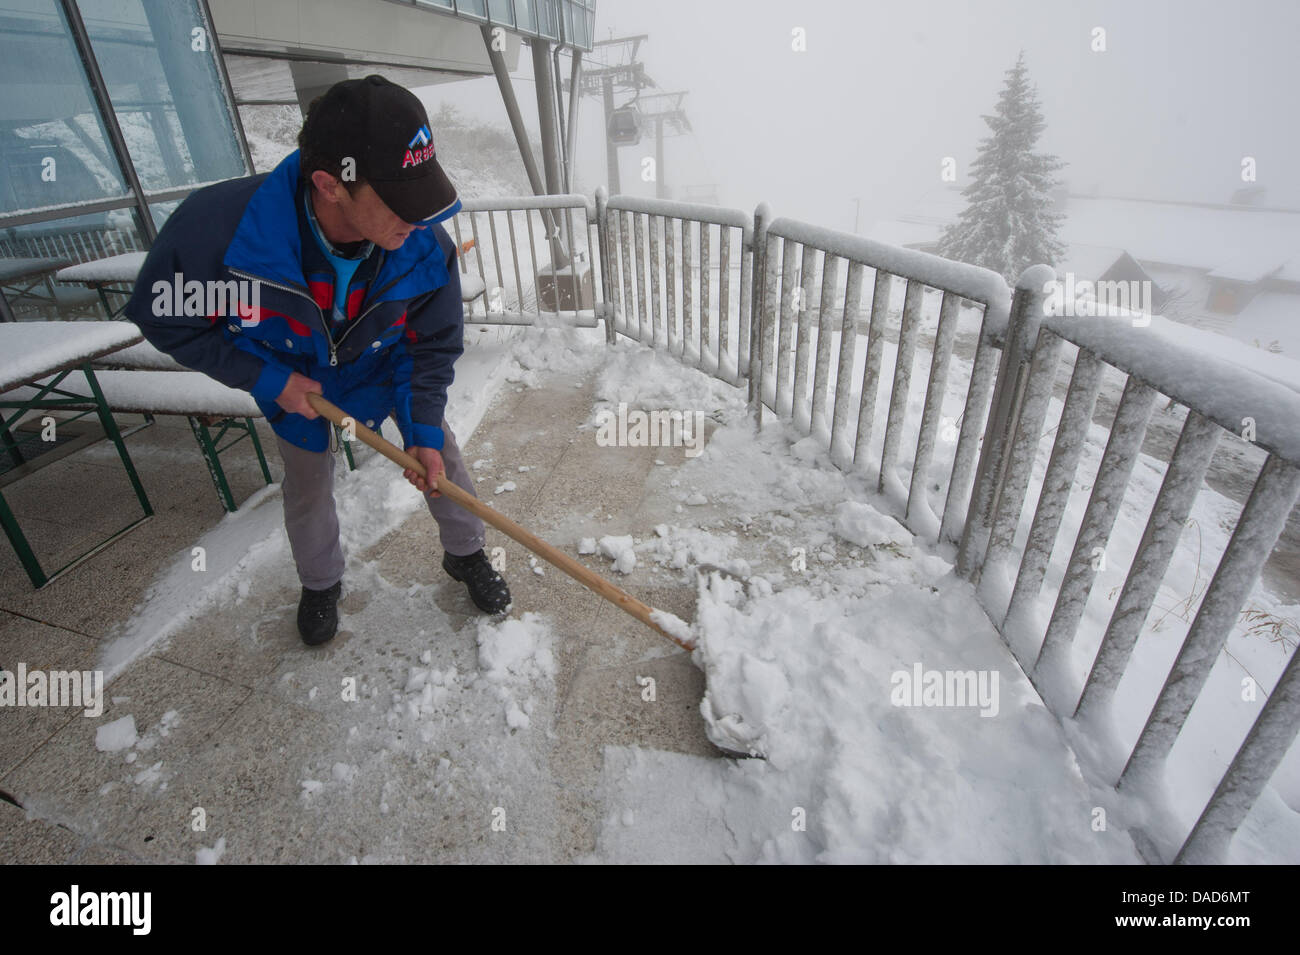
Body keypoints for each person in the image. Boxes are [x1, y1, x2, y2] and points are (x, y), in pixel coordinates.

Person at [124, 75, 511, 645]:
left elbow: (430, 343)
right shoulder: (220, 234)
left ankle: (467, 552)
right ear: (331, 184)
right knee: (306, 487)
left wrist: (422, 423)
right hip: (296, 382)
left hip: (382, 368)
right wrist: (267, 378)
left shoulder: (422, 245)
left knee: (439, 456)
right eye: (401, 203)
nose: (419, 220)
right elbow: (166, 317)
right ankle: (321, 582)